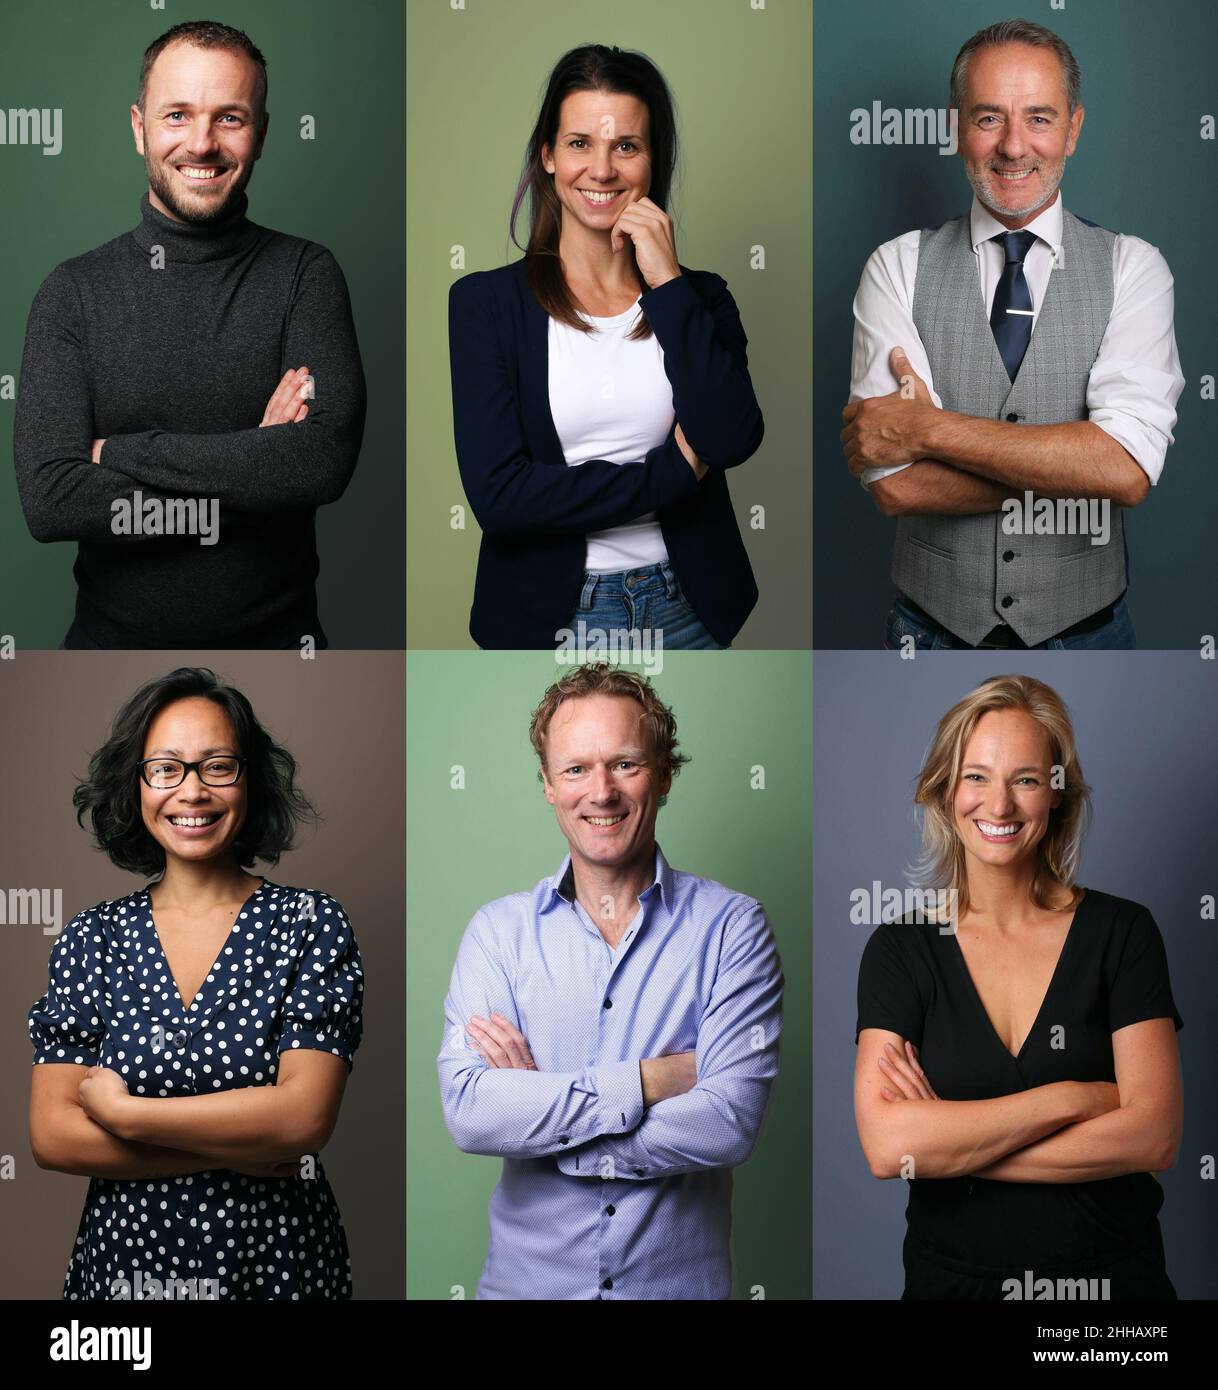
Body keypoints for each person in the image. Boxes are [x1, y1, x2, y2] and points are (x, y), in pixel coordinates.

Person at [13, 20, 366, 649]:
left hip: (282, 657)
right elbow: (52, 500)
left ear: (260, 133)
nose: (201, 144)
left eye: (229, 118)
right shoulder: (72, 293)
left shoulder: (305, 275)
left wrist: (116, 453)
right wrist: (254, 461)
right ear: (138, 126)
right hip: (107, 660)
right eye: (177, 115)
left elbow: (318, 464)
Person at [437, 662, 783, 1298]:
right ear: (547, 784)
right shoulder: (497, 934)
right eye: (575, 769)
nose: (601, 792)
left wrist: (545, 1115)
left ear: (665, 773)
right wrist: (649, 1081)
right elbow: (471, 1114)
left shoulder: (732, 928)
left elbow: (729, 1121)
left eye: (625, 763)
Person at [841, 19, 1185, 649]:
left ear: (1073, 129)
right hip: (929, 629)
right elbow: (896, 483)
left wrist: (928, 430)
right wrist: (1076, 467)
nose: (1014, 147)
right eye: (989, 118)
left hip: (1091, 635)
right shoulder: (895, 266)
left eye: (1040, 118)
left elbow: (1127, 468)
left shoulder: (1135, 268)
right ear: (955, 129)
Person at [28, 667, 363, 1300]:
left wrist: (126, 1114)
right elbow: (51, 1135)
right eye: (166, 768)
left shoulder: (311, 924)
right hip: (125, 1274)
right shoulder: (90, 938)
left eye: (217, 766)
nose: (192, 791)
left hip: (276, 1266)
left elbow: (303, 1120)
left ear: (249, 780)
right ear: (136, 785)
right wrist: (238, 1151)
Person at [854, 675, 1183, 1299]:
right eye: (976, 776)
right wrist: (1074, 1099)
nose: (999, 806)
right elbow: (887, 1146)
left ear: (1058, 793)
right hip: (949, 1288)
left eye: (1026, 780)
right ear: (944, 790)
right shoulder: (901, 951)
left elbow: (1155, 1137)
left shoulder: (1124, 933)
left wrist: (954, 1147)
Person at [448, 44, 764, 650]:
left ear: (652, 160)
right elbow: (502, 499)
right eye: (579, 143)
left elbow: (731, 437)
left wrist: (668, 283)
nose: (602, 169)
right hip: (551, 614)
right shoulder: (484, 304)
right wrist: (672, 473)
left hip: (689, 605)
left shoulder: (699, 296)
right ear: (547, 155)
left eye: (626, 145)